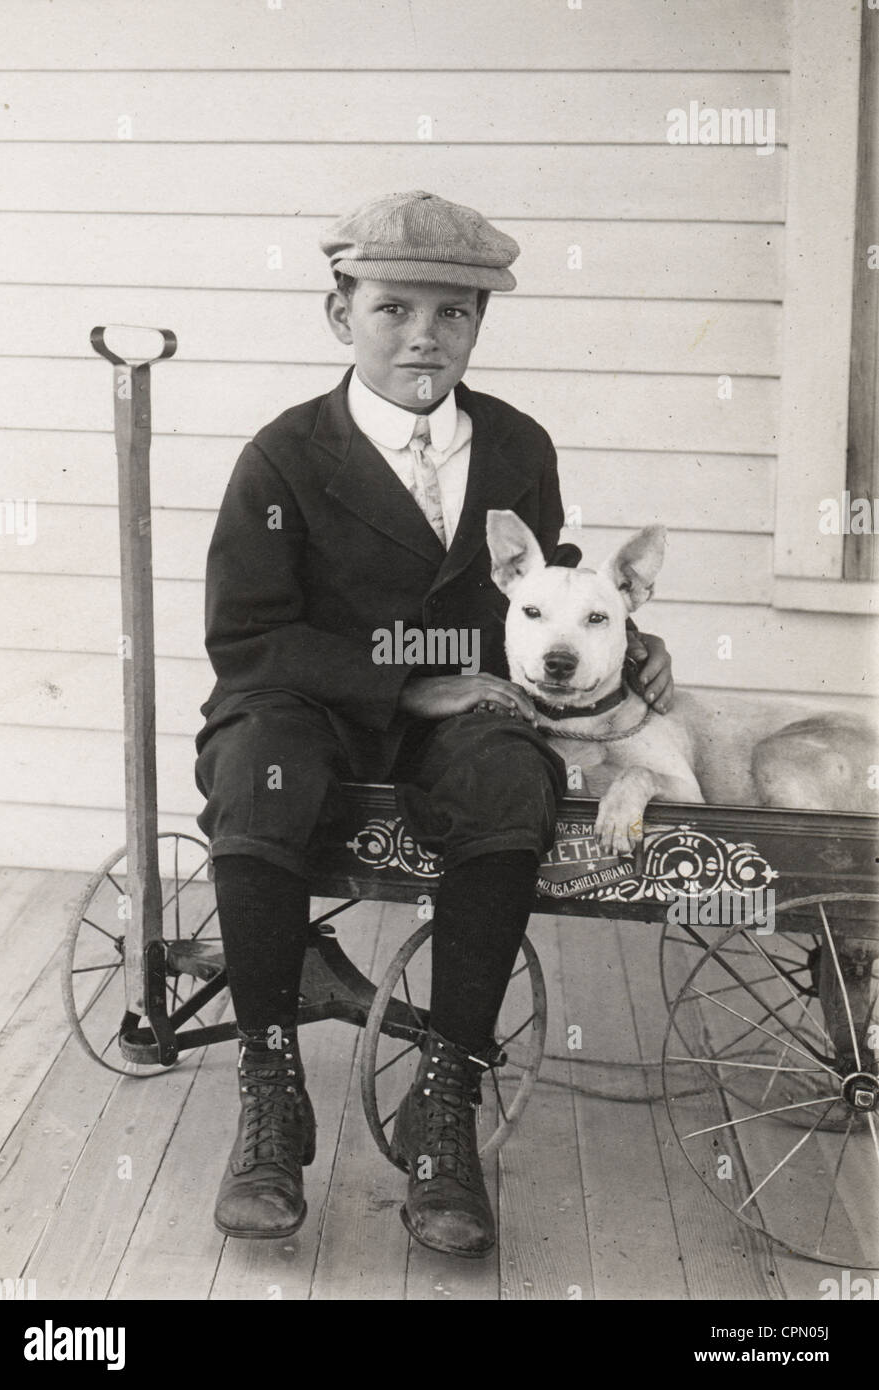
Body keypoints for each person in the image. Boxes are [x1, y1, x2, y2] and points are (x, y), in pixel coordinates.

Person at [195, 190, 674, 1258]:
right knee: (256, 774)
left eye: (453, 312)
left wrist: (622, 651)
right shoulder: (283, 456)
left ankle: (446, 1099)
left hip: (466, 708)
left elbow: (542, 600)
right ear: (339, 315)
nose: (423, 333)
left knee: (511, 778)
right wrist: (409, 679)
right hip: (303, 703)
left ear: (476, 326)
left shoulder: (515, 446)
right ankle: (270, 1093)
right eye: (392, 308)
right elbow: (245, 635)